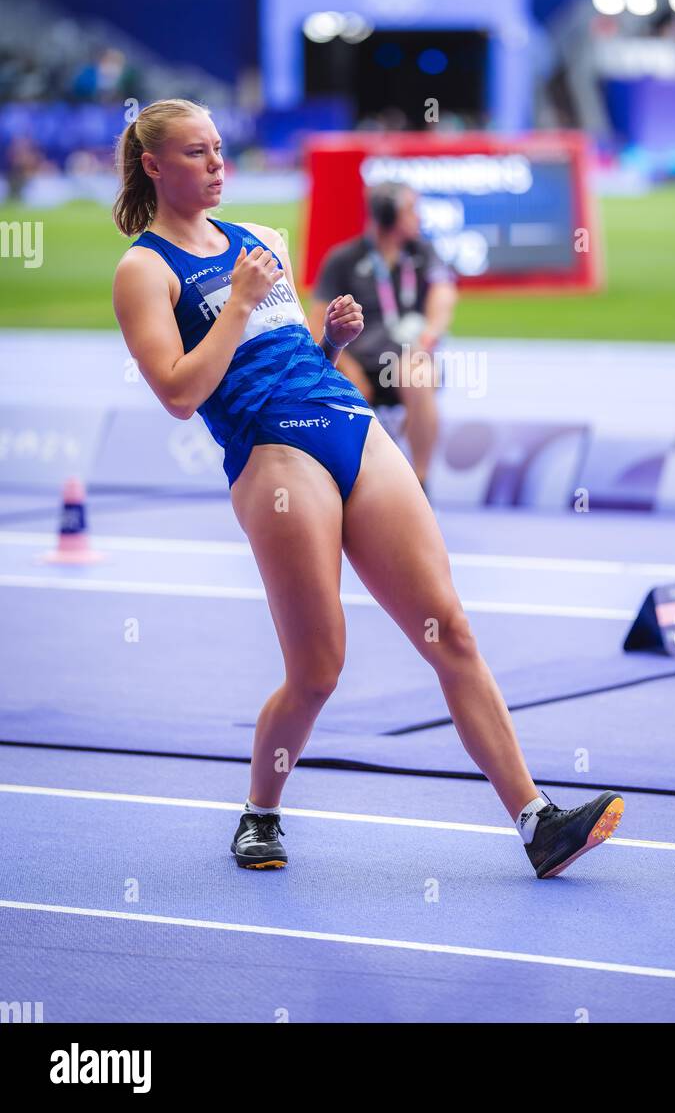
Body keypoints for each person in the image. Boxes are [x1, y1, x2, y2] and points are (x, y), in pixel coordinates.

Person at [111, 98, 624, 878]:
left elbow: (278, 350)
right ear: (154, 165)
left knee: (448, 628)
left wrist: (330, 342)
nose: (217, 164)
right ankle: (261, 810)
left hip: (348, 421)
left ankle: (537, 822)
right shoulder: (144, 270)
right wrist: (243, 300)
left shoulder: (260, 241)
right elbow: (181, 391)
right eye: (195, 154)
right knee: (319, 669)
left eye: (219, 149)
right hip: (274, 455)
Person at [309, 180, 455, 492]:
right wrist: (348, 370)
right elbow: (316, 320)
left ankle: (420, 482)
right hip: (356, 363)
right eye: (411, 210)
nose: (419, 217)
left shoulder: (423, 252)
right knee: (329, 386)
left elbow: (443, 296)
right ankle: (345, 484)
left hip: (406, 358)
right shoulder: (343, 259)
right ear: (387, 216)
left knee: (417, 374)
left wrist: (428, 337)